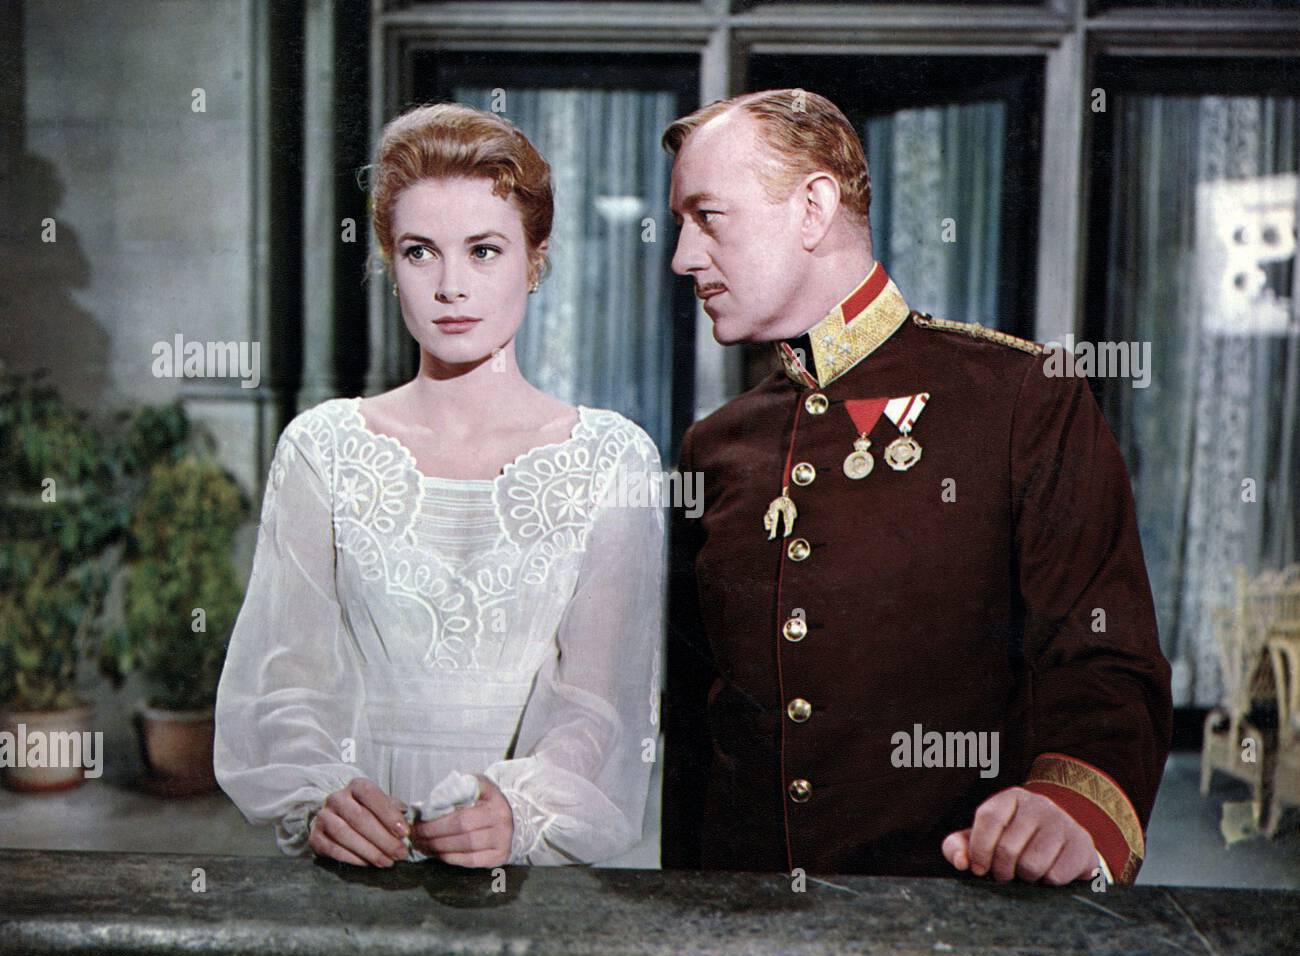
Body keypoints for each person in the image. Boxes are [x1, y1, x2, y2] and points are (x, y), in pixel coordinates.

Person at [660, 89, 1172, 886]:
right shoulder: (716, 443)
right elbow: (696, 735)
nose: (682, 257)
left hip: (953, 926)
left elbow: (1102, 661)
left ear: (813, 207)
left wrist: (1066, 807)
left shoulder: (1021, 396)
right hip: (741, 932)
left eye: (708, 217)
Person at [214, 102, 664, 869]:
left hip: (516, 870)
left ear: (536, 260)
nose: (452, 286)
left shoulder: (613, 460)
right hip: (359, 856)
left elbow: (603, 707)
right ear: (391, 262)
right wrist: (322, 798)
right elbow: (287, 679)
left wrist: (521, 813)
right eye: (422, 252)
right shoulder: (323, 449)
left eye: (484, 251)